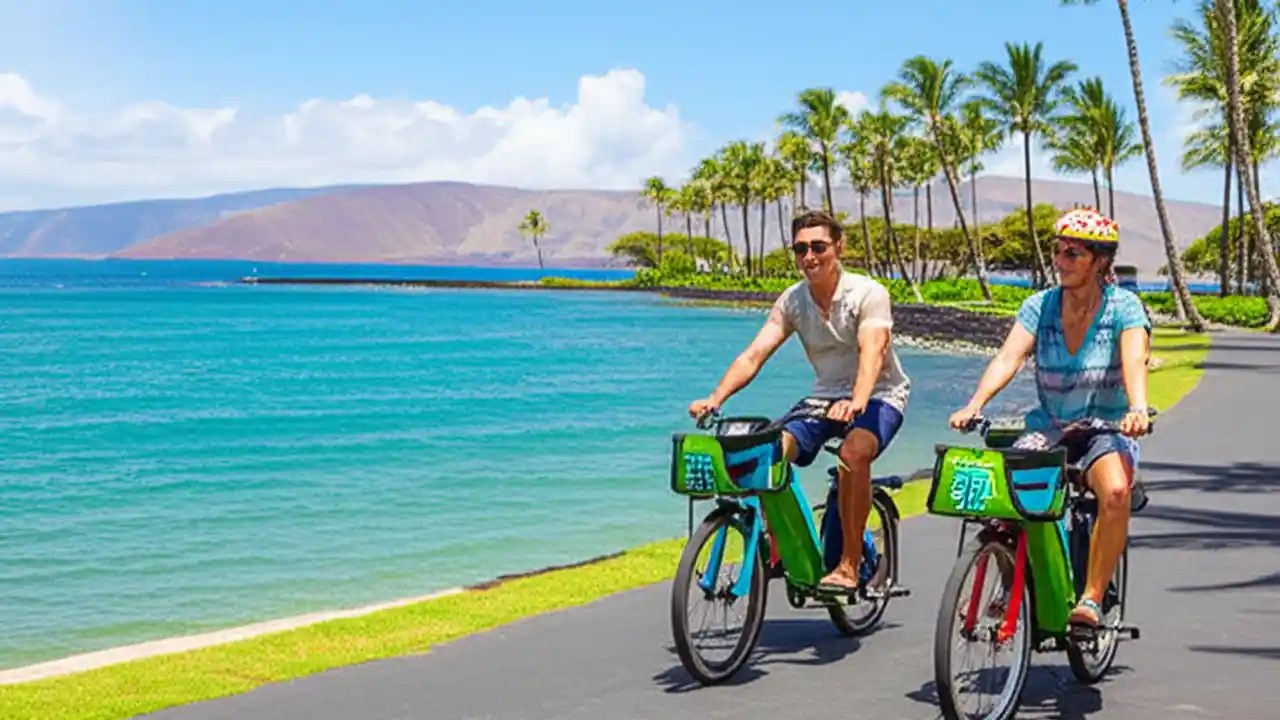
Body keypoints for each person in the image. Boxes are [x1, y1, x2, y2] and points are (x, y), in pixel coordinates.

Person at [688, 209, 911, 593]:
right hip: (825, 396)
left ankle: (848, 565)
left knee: (854, 454)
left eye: (819, 247)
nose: (810, 257)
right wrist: (715, 397)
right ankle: (780, 540)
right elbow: (754, 355)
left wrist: (858, 401)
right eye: (800, 249)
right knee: (768, 452)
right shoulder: (793, 301)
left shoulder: (868, 294)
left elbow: (873, 351)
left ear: (838, 246)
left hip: (879, 394)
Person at [948, 207, 1151, 628]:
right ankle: (1012, 582)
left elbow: (1136, 358)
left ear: (1100, 262)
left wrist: (1136, 407)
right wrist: (975, 404)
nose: (1060, 262)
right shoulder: (1039, 306)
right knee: (1005, 498)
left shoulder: (1124, 308)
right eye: (1057, 252)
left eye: (1073, 254)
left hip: (1105, 428)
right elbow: (1008, 357)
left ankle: (1091, 599)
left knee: (1114, 492)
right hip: (1049, 426)